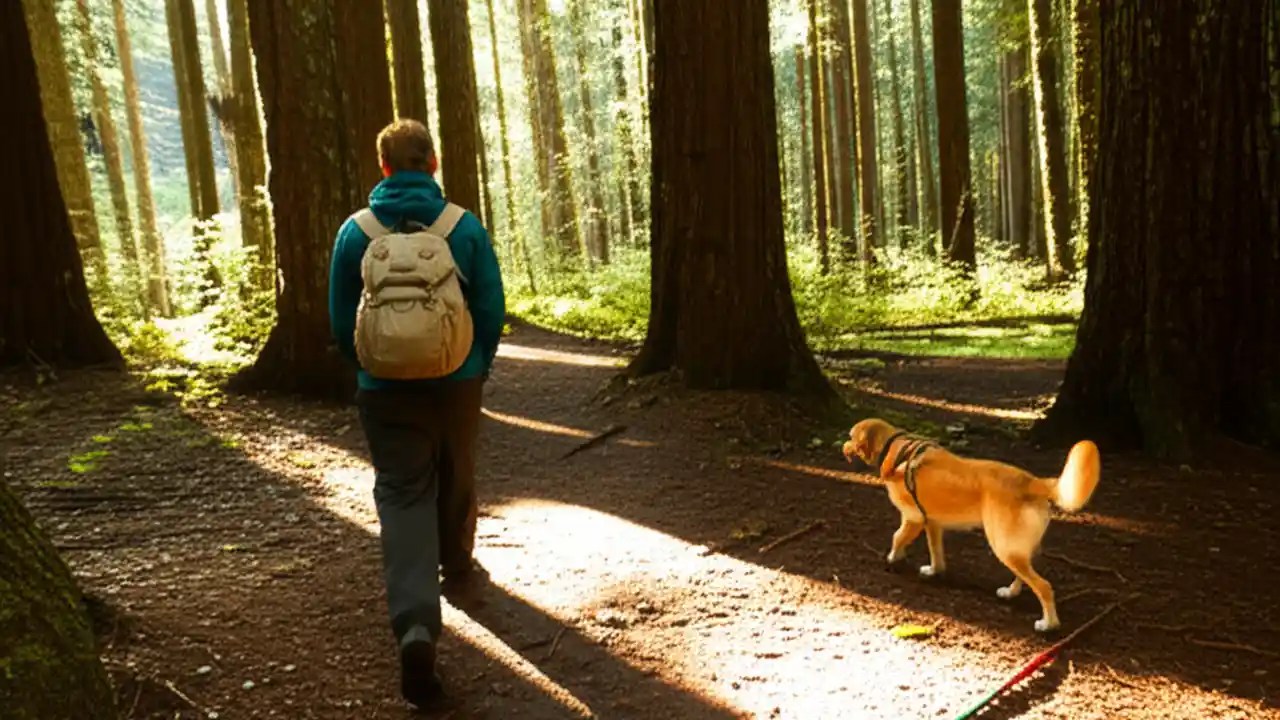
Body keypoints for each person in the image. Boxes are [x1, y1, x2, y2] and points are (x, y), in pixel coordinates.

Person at [328, 119, 505, 708]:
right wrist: (476, 363)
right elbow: (489, 304)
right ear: (433, 163)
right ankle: (457, 562)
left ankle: (415, 628)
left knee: (403, 492)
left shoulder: (356, 233)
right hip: (457, 378)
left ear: (383, 167)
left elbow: (339, 318)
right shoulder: (463, 227)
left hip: (384, 387)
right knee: (457, 467)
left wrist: (370, 368)